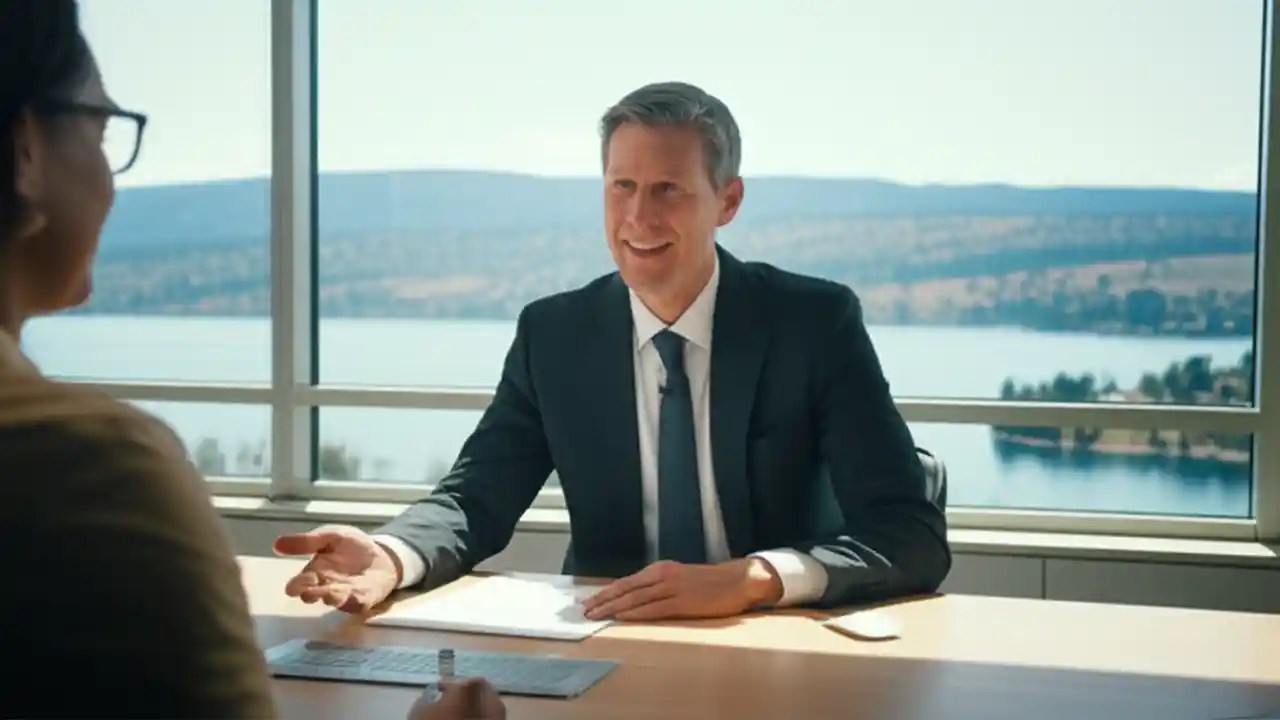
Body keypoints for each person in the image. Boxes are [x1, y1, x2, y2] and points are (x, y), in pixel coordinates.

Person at [278, 81, 951, 621]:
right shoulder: (555, 335)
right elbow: (474, 498)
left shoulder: (813, 324)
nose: (638, 217)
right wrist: (393, 554)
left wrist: (755, 578)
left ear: (728, 201)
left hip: (771, 644)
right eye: (621, 186)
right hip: (602, 642)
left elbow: (909, 535)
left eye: (668, 189)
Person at [0, 1, 503, 717]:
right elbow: (478, 492)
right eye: (103, 134)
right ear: (26, 148)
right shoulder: (89, 471)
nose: (112, 181)